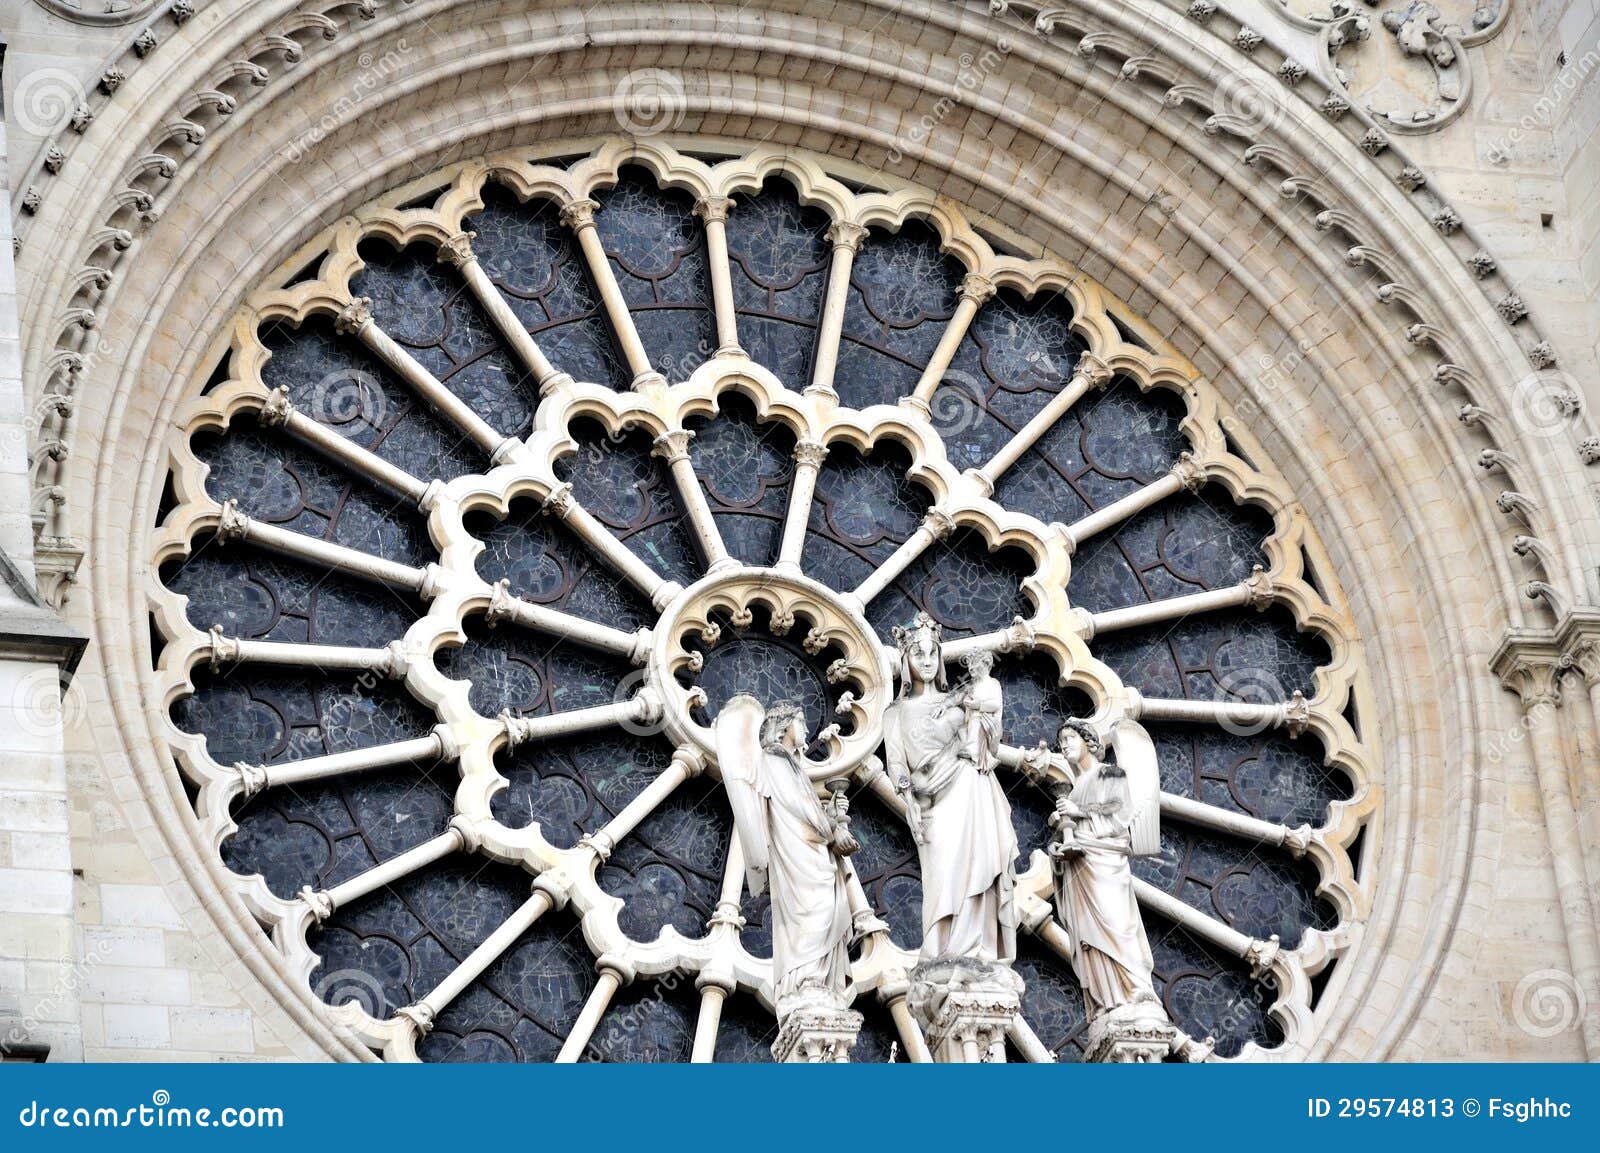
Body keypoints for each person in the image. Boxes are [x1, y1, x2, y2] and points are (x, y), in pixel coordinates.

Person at [883, 613, 1017, 963]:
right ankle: (943, 947)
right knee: (943, 874)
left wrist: (987, 718)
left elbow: (987, 741)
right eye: (918, 655)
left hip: (971, 786)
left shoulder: (961, 702)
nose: (926, 662)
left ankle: (976, 946)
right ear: (906, 661)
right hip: (930, 797)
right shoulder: (896, 712)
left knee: (979, 865)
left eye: (932, 654)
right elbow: (897, 764)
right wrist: (908, 798)